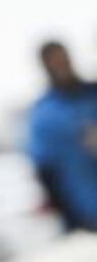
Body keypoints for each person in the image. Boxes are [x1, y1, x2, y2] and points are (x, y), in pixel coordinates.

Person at [26, 39, 97, 231]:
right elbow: (45, 171)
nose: (62, 66)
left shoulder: (93, 95)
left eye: (64, 59)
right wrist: (72, 219)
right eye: (55, 62)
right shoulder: (44, 115)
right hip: (89, 212)